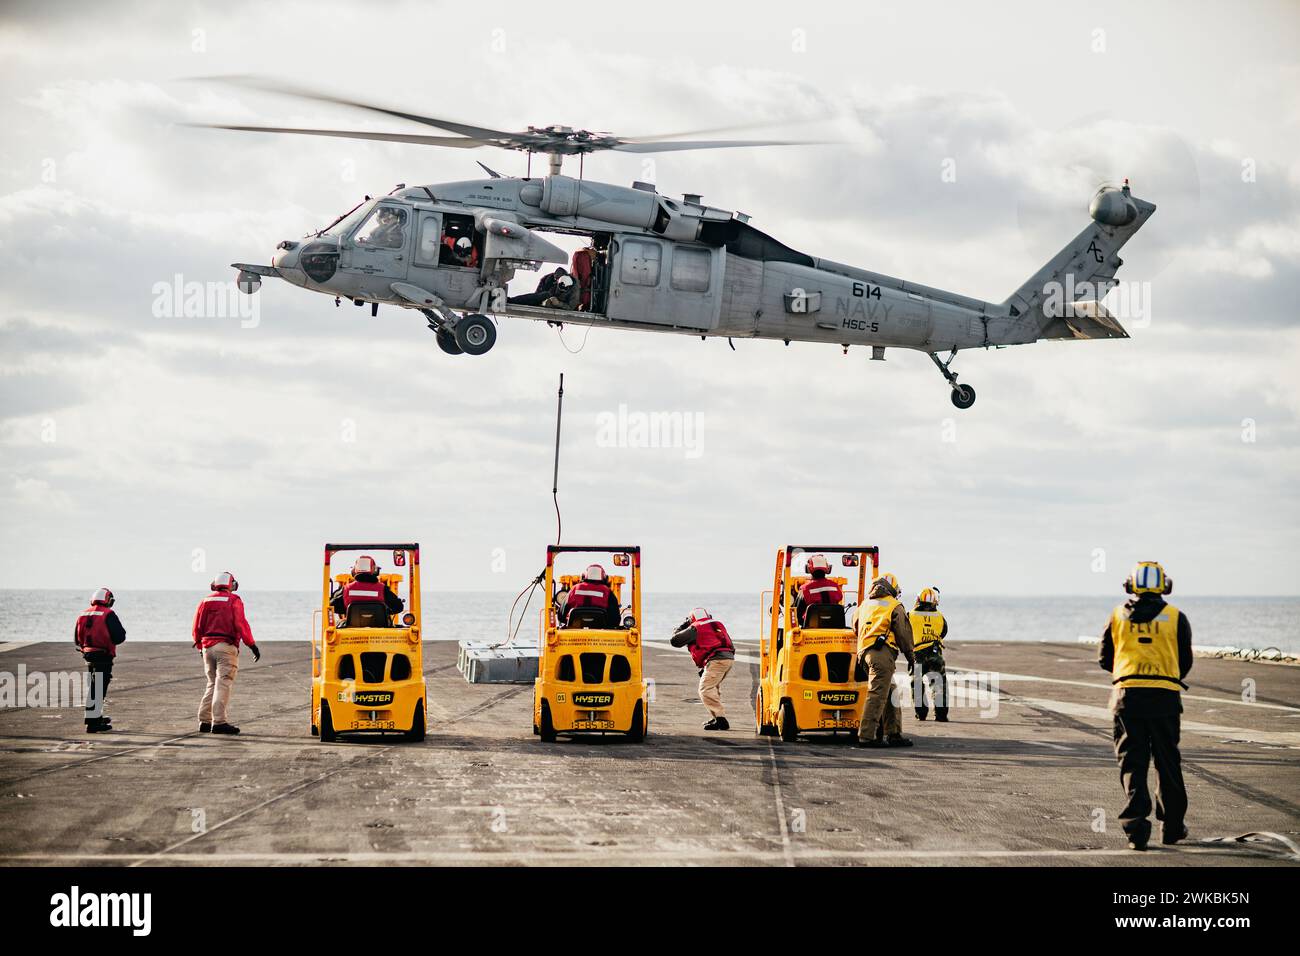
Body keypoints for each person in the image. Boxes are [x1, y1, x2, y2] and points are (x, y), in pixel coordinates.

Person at [1099, 561, 1192, 851]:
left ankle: (1136, 831)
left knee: (1132, 763)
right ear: (1165, 586)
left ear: (1130, 586)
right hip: (1164, 699)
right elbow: (1185, 661)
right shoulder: (1176, 616)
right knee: (1168, 763)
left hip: (1128, 699)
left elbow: (1105, 659)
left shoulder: (1117, 616)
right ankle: (1172, 827)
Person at [191, 571, 260, 735]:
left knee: (212, 682)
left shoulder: (205, 601)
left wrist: (201, 647)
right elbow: (240, 624)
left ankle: (204, 720)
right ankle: (219, 722)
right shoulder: (234, 600)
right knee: (223, 682)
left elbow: (196, 628)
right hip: (225, 647)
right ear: (232, 585)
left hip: (207, 647)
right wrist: (252, 645)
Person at [854, 572, 915, 748]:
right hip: (882, 654)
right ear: (893, 589)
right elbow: (904, 634)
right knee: (877, 694)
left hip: (864, 654)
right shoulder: (894, 606)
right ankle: (867, 736)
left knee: (890, 691)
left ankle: (894, 733)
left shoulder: (865, 605)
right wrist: (911, 657)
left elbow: (855, 625)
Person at [670, 608, 736, 730]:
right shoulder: (717, 624)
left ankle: (721, 720)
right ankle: (716, 716)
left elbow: (675, 641)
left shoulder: (696, 627)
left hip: (716, 660)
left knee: (705, 689)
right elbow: (730, 644)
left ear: (692, 619)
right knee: (713, 688)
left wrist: (683, 626)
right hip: (728, 658)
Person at [73, 587, 126, 733]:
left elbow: (77, 639)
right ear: (108, 600)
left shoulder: (83, 614)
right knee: (99, 688)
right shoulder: (108, 614)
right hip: (103, 655)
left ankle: (94, 717)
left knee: (93, 686)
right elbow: (120, 636)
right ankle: (93, 723)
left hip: (88, 654)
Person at [910, 587, 950, 722]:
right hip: (935, 654)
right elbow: (943, 632)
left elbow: (904, 632)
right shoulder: (940, 616)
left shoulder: (910, 615)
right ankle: (941, 715)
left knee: (916, 683)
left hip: (917, 655)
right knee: (939, 683)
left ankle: (921, 713)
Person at [330, 555, 404, 624]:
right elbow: (398, 607)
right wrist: (386, 611)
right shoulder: (382, 588)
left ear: (354, 571)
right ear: (375, 571)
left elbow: (331, 605)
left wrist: (346, 609)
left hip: (352, 628)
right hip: (380, 629)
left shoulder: (346, 589)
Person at [795, 553, 843, 624]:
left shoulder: (805, 589)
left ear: (809, 569)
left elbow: (797, 614)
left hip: (811, 628)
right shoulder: (835, 586)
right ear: (827, 568)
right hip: (834, 626)